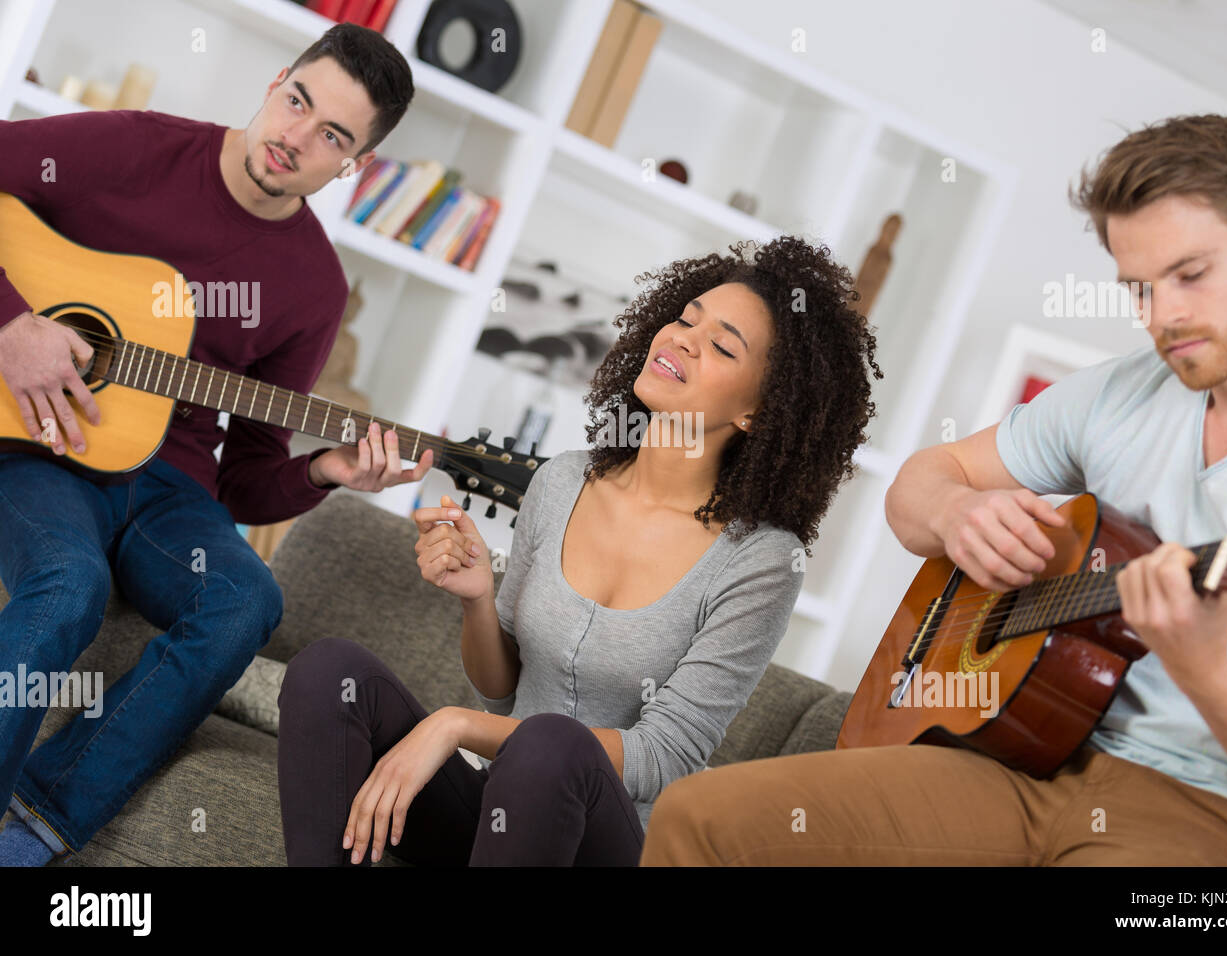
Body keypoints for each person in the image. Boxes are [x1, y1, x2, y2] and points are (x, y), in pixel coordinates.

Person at [639, 113, 1227, 867]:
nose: (1165, 317)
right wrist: (957, 513)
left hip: (1221, 826)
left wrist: (1207, 674)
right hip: (1023, 766)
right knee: (701, 817)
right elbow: (919, 484)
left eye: (1191, 275)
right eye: (1140, 289)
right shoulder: (1122, 394)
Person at [276, 235, 885, 865]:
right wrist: (480, 599)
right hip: (504, 823)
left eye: (722, 346)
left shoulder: (760, 560)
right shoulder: (565, 480)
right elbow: (504, 693)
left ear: (760, 411)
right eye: (685, 319)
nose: (683, 339)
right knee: (331, 673)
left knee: (553, 746)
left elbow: (660, 755)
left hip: (606, 848)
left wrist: (452, 724)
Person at [0, 24, 427, 866]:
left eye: (333, 136)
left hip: (167, 494)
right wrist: (14, 321)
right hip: (40, 446)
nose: (296, 137)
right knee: (69, 584)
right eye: (298, 102)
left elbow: (247, 479)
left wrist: (324, 471)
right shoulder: (132, 149)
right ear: (276, 83)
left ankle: (37, 826)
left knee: (245, 601)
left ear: (354, 167)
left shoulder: (315, 286)